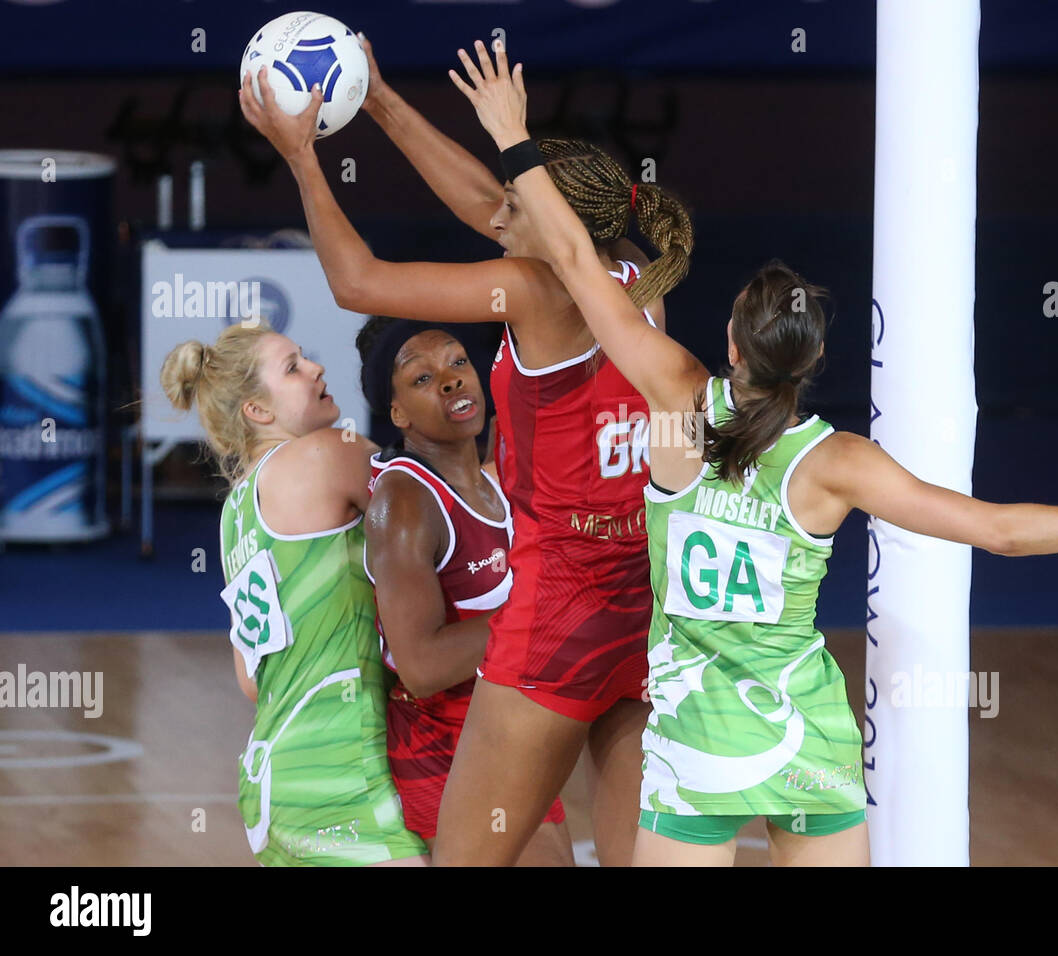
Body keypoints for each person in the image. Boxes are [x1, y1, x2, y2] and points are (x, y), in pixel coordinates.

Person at [453, 38, 1058, 866]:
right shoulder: (836, 464)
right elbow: (999, 531)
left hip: (698, 743)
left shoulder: (677, 402)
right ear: (814, 361)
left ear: (731, 343)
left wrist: (513, 136)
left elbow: (575, 259)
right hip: (806, 738)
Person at [239, 38, 694, 865]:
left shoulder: (535, 291)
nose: (496, 217)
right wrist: (379, 99)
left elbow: (357, 283)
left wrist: (303, 159)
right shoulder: (635, 274)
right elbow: (494, 202)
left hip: (557, 614)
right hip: (644, 607)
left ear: (551, 223)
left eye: (515, 208)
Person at [160, 321, 428, 866]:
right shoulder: (326, 453)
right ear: (258, 410)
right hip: (340, 769)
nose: (315, 368)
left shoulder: (235, 514)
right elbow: (446, 506)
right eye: (293, 368)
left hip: (273, 777)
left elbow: (250, 679)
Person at [357, 316, 573, 865]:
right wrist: (543, 607)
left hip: (510, 734)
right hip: (444, 748)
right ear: (398, 413)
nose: (451, 379)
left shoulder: (497, 474)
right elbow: (421, 665)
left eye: (457, 362)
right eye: (422, 378)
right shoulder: (405, 502)